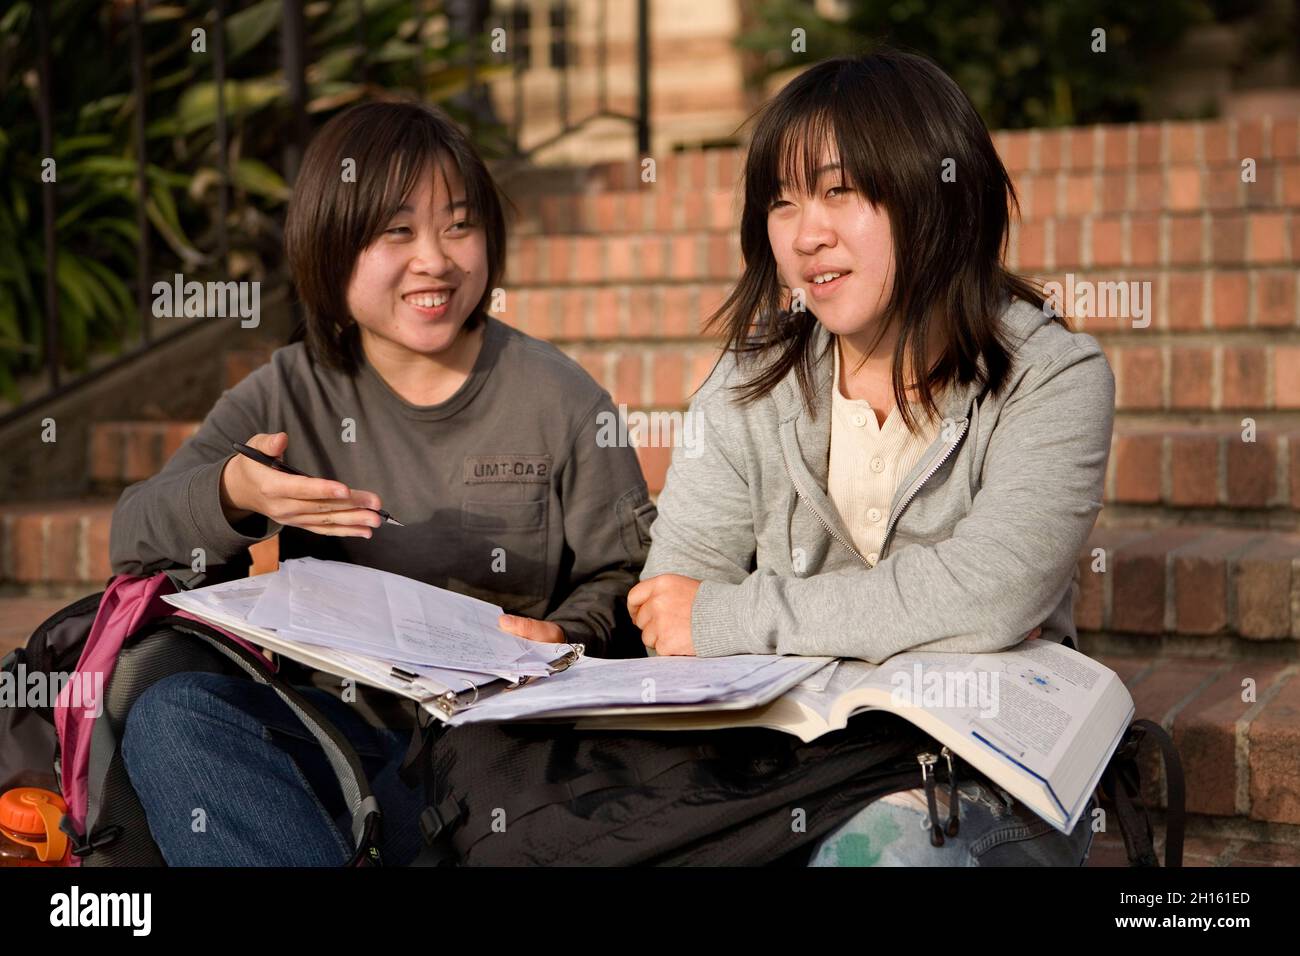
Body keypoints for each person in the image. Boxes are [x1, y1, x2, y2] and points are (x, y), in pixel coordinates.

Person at [111, 100, 655, 866]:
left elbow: (631, 580)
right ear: (331, 248)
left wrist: (565, 631)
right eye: (397, 231)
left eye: (459, 226)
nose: (435, 260)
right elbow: (131, 530)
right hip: (346, 745)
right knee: (175, 716)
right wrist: (235, 493)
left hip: (511, 759)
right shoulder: (288, 392)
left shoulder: (559, 399)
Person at [627, 51, 1112, 866]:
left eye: (839, 192)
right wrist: (704, 619)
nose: (806, 233)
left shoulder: (1051, 377)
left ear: (934, 191)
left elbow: (989, 591)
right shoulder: (749, 384)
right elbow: (672, 606)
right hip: (780, 772)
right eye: (781, 204)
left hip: (980, 772)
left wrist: (732, 618)